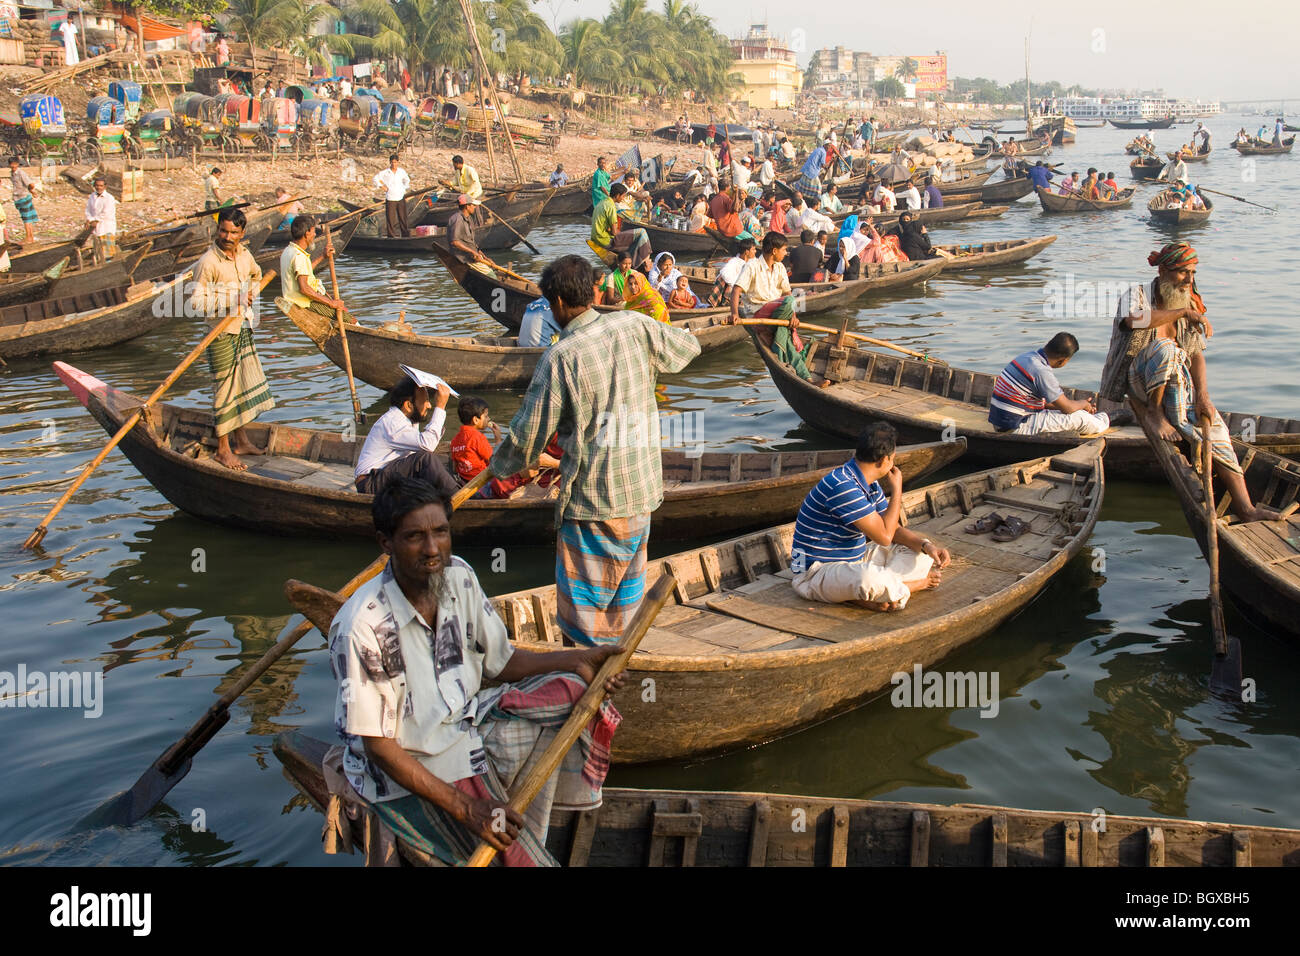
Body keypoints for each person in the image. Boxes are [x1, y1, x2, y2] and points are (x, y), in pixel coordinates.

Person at [326, 477, 625, 866]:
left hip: (467, 724)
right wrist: (467, 809)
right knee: (527, 862)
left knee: (577, 687)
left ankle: (527, 820)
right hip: (412, 763)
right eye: (415, 536)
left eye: (441, 533)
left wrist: (580, 660)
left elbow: (503, 662)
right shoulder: (363, 625)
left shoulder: (459, 577)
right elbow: (379, 747)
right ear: (386, 543)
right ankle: (515, 839)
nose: (433, 549)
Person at [489, 255, 700, 646]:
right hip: (641, 494)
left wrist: (497, 467)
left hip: (593, 504)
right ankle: (619, 677)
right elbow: (688, 347)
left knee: (584, 627)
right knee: (625, 607)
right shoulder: (635, 325)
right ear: (594, 291)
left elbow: (525, 439)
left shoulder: (559, 358)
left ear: (555, 303)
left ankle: (592, 694)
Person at [1097, 241, 1272, 522]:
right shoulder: (1137, 294)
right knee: (1166, 349)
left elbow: (1196, 355)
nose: (1189, 279)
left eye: (1192, 273)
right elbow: (1134, 320)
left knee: (1216, 430)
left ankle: (1246, 508)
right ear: (1164, 270)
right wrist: (1182, 313)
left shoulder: (1186, 300)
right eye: (1182, 273)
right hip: (1137, 381)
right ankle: (1154, 413)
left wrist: (1203, 395)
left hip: (1173, 380)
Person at [790, 422, 948, 611]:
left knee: (920, 553)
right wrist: (897, 488)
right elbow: (884, 537)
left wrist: (927, 546)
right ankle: (911, 586)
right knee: (869, 578)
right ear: (884, 461)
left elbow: (893, 530)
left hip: (854, 561)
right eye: (893, 458)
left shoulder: (868, 483)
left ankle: (873, 594)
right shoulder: (842, 485)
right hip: (815, 572)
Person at [189, 207, 270, 471]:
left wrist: (250, 293)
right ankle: (223, 450)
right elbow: (197, 303)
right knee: (224, 390)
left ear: (242, 233)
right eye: (223, 230)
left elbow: (257, 275)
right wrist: (230, 299)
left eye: (233, 232)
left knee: (240, 387)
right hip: (220, 333)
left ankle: (242, 440)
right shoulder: (208, 262)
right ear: (217, 230)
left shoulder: (245, 256)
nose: (227, 236)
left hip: (242, 327)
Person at [988, 333, 1117, 437]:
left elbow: (1046, 404)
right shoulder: (1042, 371)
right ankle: (1108, 420)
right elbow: (1067, 408)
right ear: (1063, 360)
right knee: (1082, 419)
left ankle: (1101, 418)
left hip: (1001, 423)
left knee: (1073, 412)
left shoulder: (1027, 357)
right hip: (1015, 427)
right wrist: (1083, 404)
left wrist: (1076, 406)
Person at [354, 376, 459, 497]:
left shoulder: (407, 420)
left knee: (435, 461)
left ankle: (454, 490)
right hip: (370, 483)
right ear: (408, 405)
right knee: (424, 459)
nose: (429, 405)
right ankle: (460, 497)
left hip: (385, 476)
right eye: (425, 401)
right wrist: (440, 407)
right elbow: (427, 445)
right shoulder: (393, 422)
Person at [451, 396, 558, 498]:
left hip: (465, 481)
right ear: (476, 420)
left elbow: (455, 465)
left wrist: (497, 438)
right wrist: (498, 440)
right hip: (482, 484)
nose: (489, 419)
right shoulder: (477, 437)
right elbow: (495, 461)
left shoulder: (455, 439)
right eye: (486, 416)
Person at [280, 214, 349, 319]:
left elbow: (304, 272)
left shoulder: (288, 250)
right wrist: (331, 303)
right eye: (313, 231)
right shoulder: (299, 256)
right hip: (305, 302)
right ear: (307, 233)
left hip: (298, 298)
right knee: (348, 318)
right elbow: (304, 289)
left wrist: (322, 256)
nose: (315, 234)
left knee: (343, 309)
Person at [728, 230, 798, 326]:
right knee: (789, 301)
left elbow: (787, 292)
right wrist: (734, 314)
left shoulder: (780, 267)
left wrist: (793, 316)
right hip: (757, 314)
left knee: (788, 333)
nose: (786, 253)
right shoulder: (752, 265)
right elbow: (736, 290)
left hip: (774, 314)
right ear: (774, 251)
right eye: (784, 250)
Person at [591, 183, 652, 271]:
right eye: (622, 196)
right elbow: (614, 232)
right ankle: (642, 262)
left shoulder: (603, 202)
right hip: (605, 240)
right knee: (642, 232)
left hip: (597, 237)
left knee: (635, 237)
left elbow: (607, 227)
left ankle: (633, 261)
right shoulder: (611, 206)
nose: (623, 198)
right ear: (617, 195)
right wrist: (623, 234)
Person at [599, 252, 668, 322]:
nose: (627, 266)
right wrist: (624, 299)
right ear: (618, 263)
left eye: (629, 264)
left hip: (637, 300)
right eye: (624, 264)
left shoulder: (635, 273)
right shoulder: (612, 277)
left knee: (656, 304)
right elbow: (610, 298)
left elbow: (645, 288)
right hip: (622, 304)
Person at [705, 236, 756, 306]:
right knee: (722, 279)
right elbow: (724, 273)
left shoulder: (753, 261)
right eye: (753, 249)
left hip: (748, 291)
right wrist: (737, 286)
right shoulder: (734, 261)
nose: (755, 251)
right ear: (747, 252)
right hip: (738, 292)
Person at [447, 194, 493, 267]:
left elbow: (471, 244)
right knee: (491, 275)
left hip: (472, 258)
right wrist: (473, 252)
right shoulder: (457, 219)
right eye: (473, 205)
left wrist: (485, 257)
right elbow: (455, 242)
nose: (475, 207)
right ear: (467, 206)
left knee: (492, 267)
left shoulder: (469, 219)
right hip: (463, 259)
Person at [373, 154, 412, 238]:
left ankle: (405, 235)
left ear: (398, 162)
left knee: (403, 217)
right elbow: (375, 178)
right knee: (391, 219)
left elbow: (407, 180)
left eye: (395, 162)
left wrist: (404, 188)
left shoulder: (401, 171)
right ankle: (391, 236)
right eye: (392, 162)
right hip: (390, 197)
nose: (394, 164)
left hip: (400, 197)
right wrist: (382, 186)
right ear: (390, 163)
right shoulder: (386, 172)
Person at [84, 175, 117, 263]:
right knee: (98, 251)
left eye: (101, 186)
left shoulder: (109, 198)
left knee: (108, 254)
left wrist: (96, 220)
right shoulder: (92, 196)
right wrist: (89, 220)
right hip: (95, 228)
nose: (99, 187)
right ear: (94, 186)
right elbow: (88, 210)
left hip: (106, 228)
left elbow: (105, 213)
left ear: (105, 187)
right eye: (97, 185)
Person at [6, 156, 39, 245]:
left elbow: (30, 184)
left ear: (17, 164)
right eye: (11, 164)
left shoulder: (21, 173)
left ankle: (29, 238)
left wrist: (32, 190)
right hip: (20, 198)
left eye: (15, 164)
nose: (13, 166)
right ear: (9, 165)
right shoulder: (12, 173)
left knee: (26, 219)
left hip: (23, 198)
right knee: (28, 218)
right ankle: (30, 237)